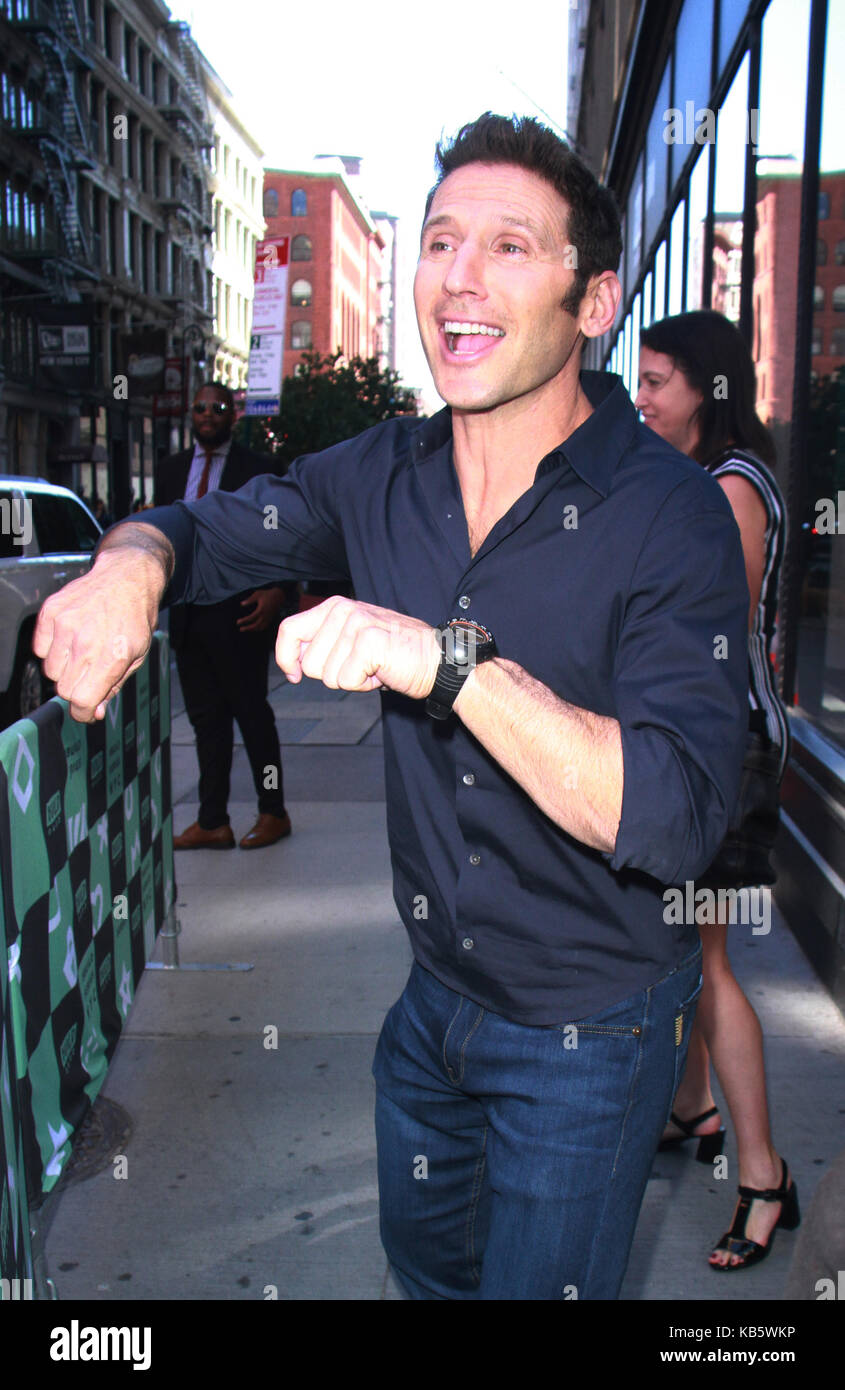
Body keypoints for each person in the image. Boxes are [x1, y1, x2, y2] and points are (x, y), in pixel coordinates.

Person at [34, 114, 750, 1300]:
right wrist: (127, 569)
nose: (458, 277)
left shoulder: (667, 513)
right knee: (421, 1280)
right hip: (429, 1014)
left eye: (510, 245)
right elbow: (204, 529)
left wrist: (444, 661)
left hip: (590, 1032)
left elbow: (674, 815)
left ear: (596, 299)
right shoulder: (381, 471)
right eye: (439, 241)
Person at [636, 309, 798, 1271]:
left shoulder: (732, 491)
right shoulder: (710, 483)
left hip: (727, 753)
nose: (645, 396)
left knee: (707, 961)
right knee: (689, 949)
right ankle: (692, 1111)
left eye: (659, 380)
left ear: (708, 390)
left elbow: (703, 636)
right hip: (708, 745)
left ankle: (763, 1176)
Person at [154, 381, 294, 851]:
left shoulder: (259, 469)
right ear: (190, 415)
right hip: (188, 616)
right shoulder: (169, 471)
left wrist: (279, 591)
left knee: (252, 716)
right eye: (200, 408)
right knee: (205, 723)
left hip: (240, 613)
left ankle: (273, 811)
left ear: (233, 414)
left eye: (218, 407)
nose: (208, 415)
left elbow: (283, 535)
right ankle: (213, 820)